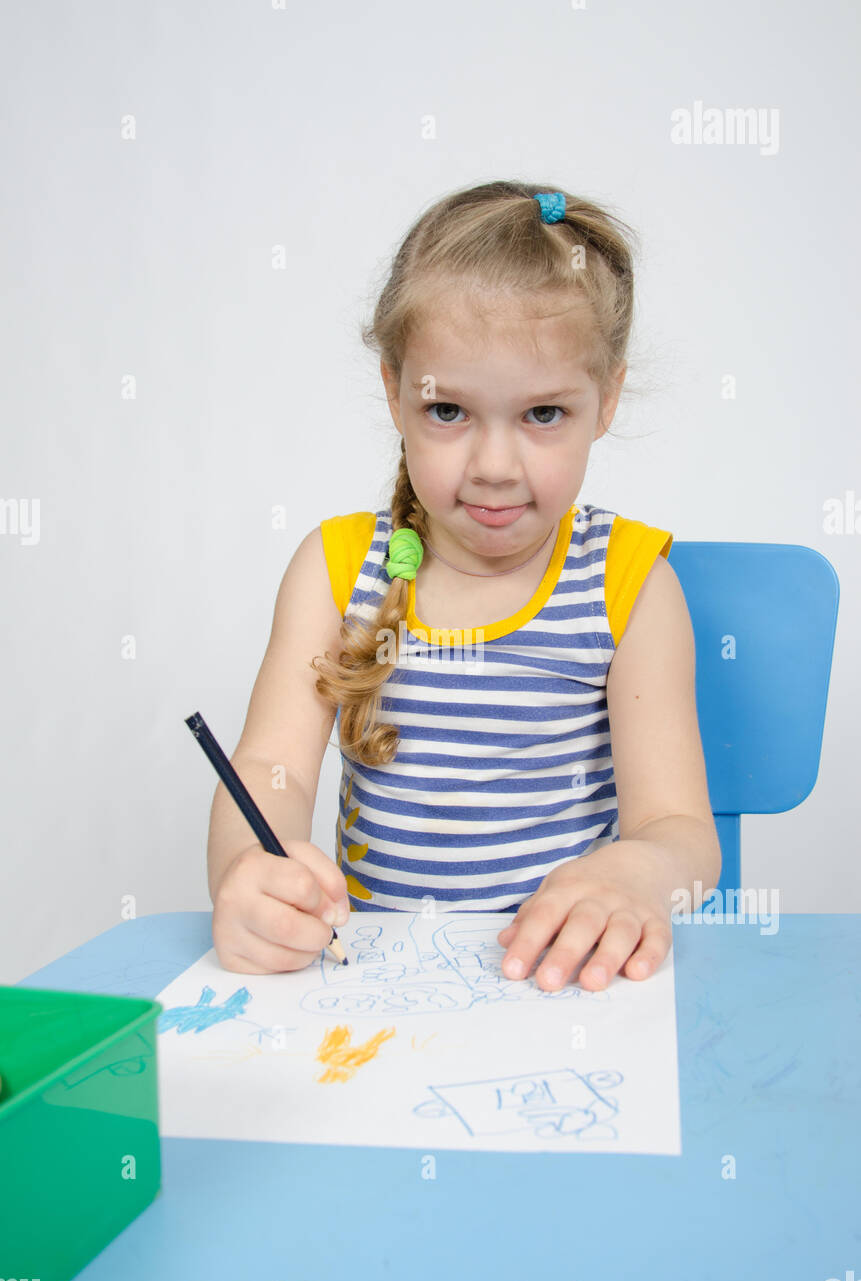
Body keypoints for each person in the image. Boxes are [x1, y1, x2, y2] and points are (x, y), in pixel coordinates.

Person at [207, 179, 721, 993]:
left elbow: (680, 829)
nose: (492, 465)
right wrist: (247, 873)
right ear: (393, 392)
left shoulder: (630, 584)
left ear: (607, 399)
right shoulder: (336, 568)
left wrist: (641, 874)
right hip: (373, 992)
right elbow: (272, 768)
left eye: (543, 415)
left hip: (563, 990)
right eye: (448, 412)